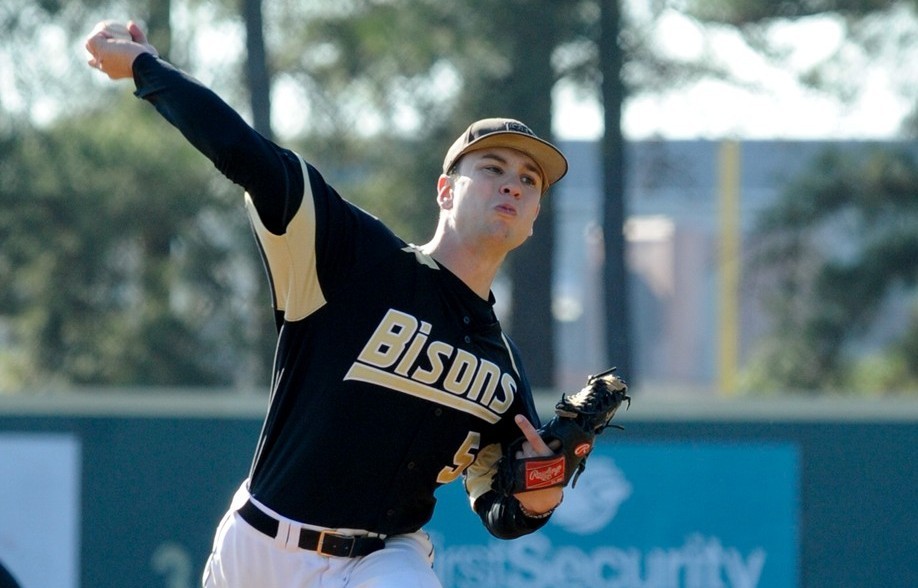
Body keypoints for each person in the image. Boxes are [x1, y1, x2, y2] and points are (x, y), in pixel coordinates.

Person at [86, 20, 569, 588]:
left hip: (385, 561)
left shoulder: (502, 369)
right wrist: (145, 68)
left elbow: (501, 509)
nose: (513, 185)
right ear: (445, 190)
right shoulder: (353, 256)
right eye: (492, 169)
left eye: (530, 180)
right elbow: (247, 153)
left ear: (535, 217)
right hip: (262, 550)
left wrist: (542, 493)